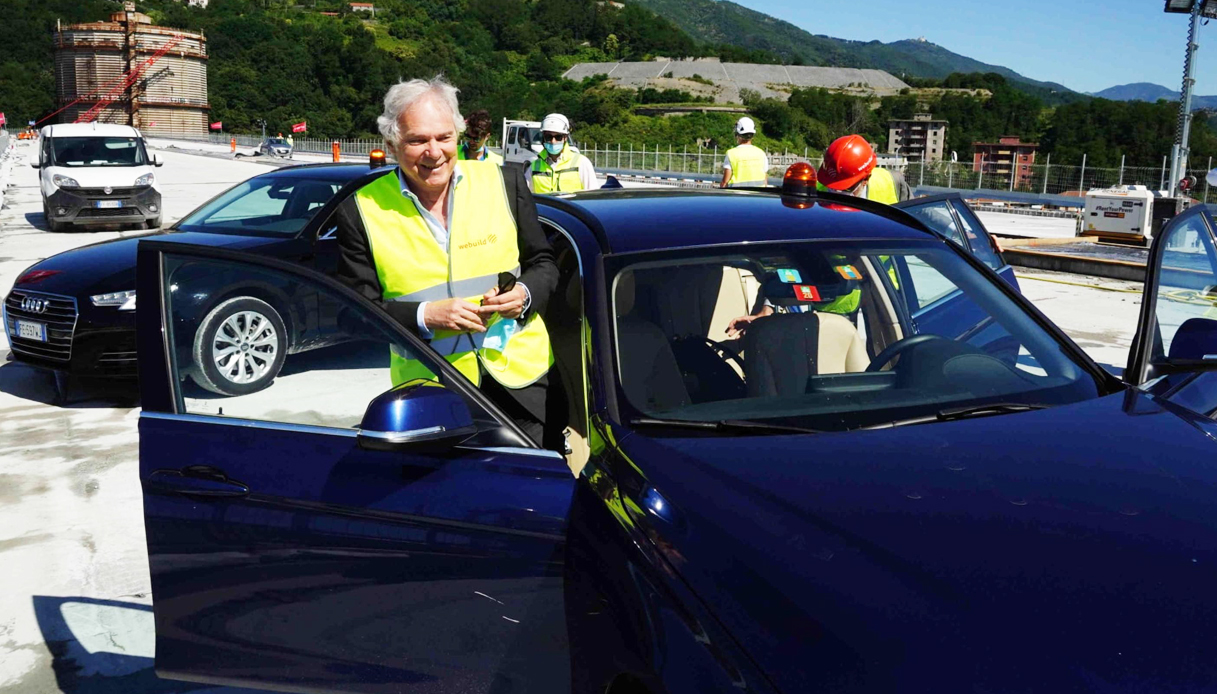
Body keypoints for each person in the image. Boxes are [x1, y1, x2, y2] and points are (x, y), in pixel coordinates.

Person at [334, 76, 559, 447]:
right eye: (417, 140)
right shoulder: (361, 210)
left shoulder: (504, 182)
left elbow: (545, 264)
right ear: (392, 145)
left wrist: (524, 294)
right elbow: (352, 314)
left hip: (524, 387)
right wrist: (426, 316)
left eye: (443, 137)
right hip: (431, 394)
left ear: (459, 134)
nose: (434, 152)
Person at [815, 134, 911, 204]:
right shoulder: (814, 189)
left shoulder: (893, 182)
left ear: (866, 179)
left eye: (846, 188)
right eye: (831, 188)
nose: (837, 194)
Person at [527, 113, 596, 194]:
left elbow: (593, 196)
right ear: (543, 138)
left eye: (558, 137)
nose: (553, 141)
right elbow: (526, 196)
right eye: (549, 137)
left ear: (565, 137)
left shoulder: (581, 163)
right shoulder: (534, 166)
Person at [720, 117, 769, 188]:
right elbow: (765, 181)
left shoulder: (731, 154)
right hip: (758, 196)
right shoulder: (761, 153)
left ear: (738, 134)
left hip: (737, 196)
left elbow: (725, 182)